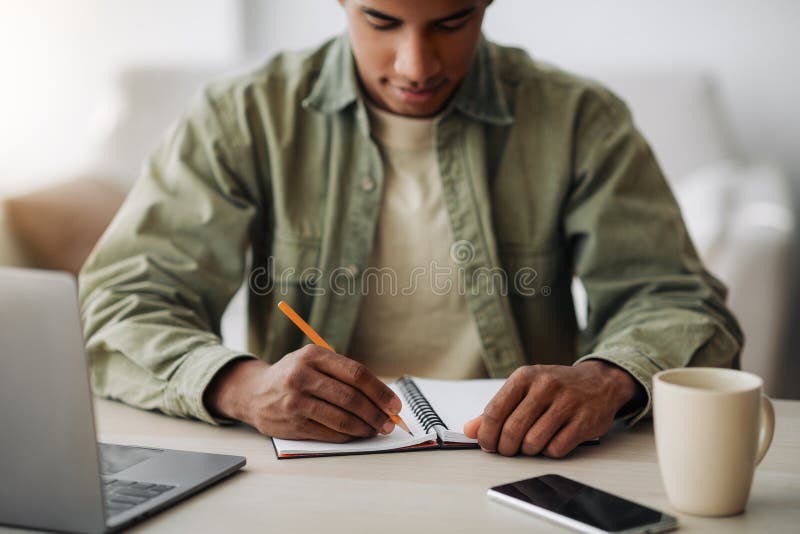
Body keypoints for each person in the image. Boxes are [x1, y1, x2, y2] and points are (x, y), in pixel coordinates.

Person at [79, 0, 743, 458]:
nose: (416, 65)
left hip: (518, 470)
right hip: (303, 473)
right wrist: (240, 385)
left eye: (452, 21)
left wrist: (606, 379)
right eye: (382, 19)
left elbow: (679, 301)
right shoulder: (243, 116)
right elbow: (118, 305)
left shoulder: (579, 120)